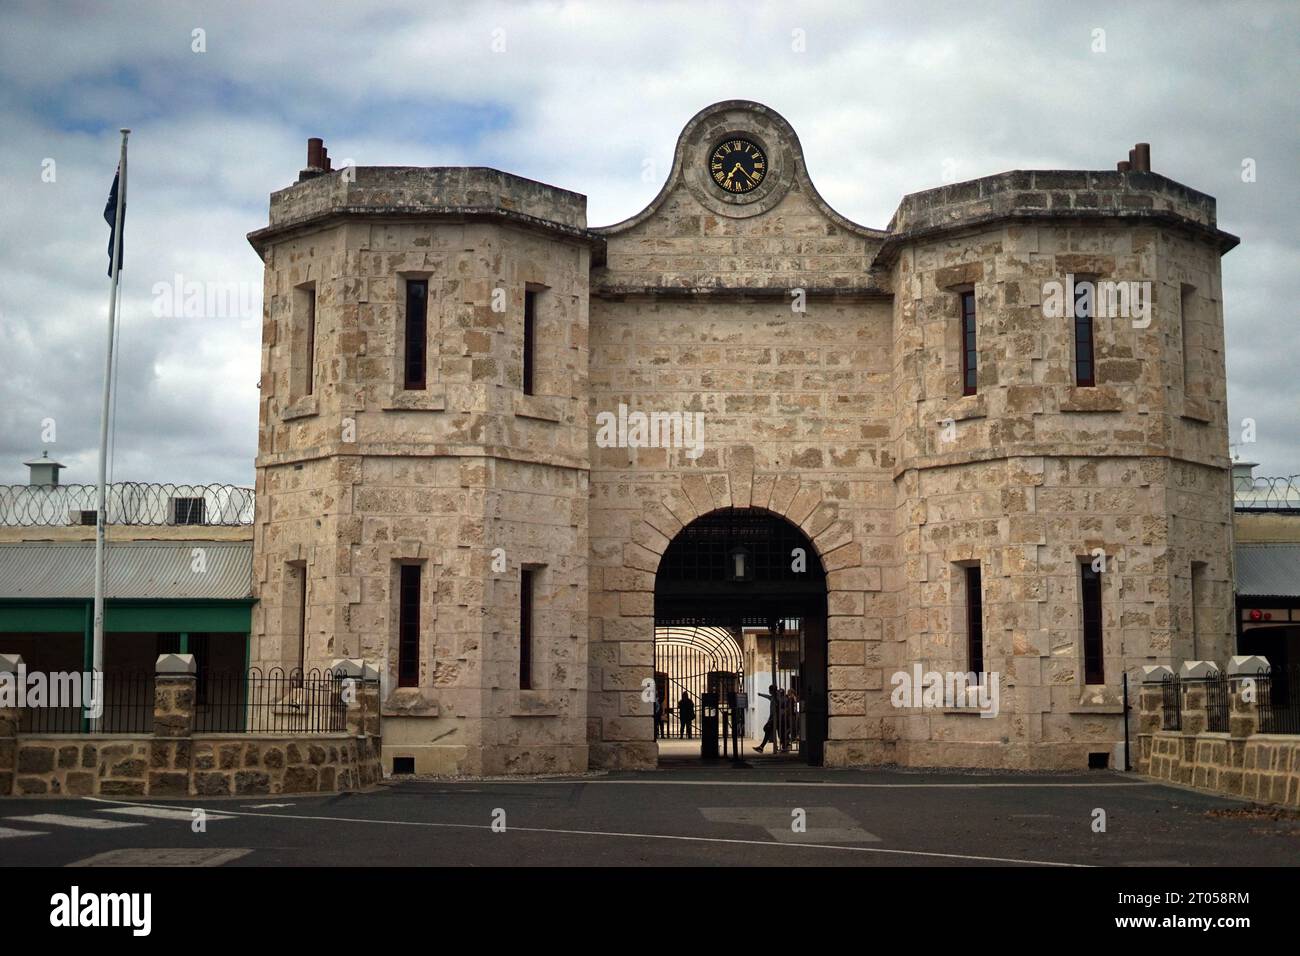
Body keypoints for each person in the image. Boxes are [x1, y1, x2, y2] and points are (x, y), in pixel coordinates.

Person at [753, 684, 781, 753]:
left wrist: (772, 719)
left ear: (772, 691)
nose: (769, 691)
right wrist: (760, 694)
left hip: (775, 718)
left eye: (769, 690)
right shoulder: (772, 697)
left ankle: (781, 745)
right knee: (770, 731)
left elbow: (777, 708)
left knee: (767, 729)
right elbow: (767, 696)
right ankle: (762, 747)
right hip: (773, 717)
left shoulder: (776, 698)